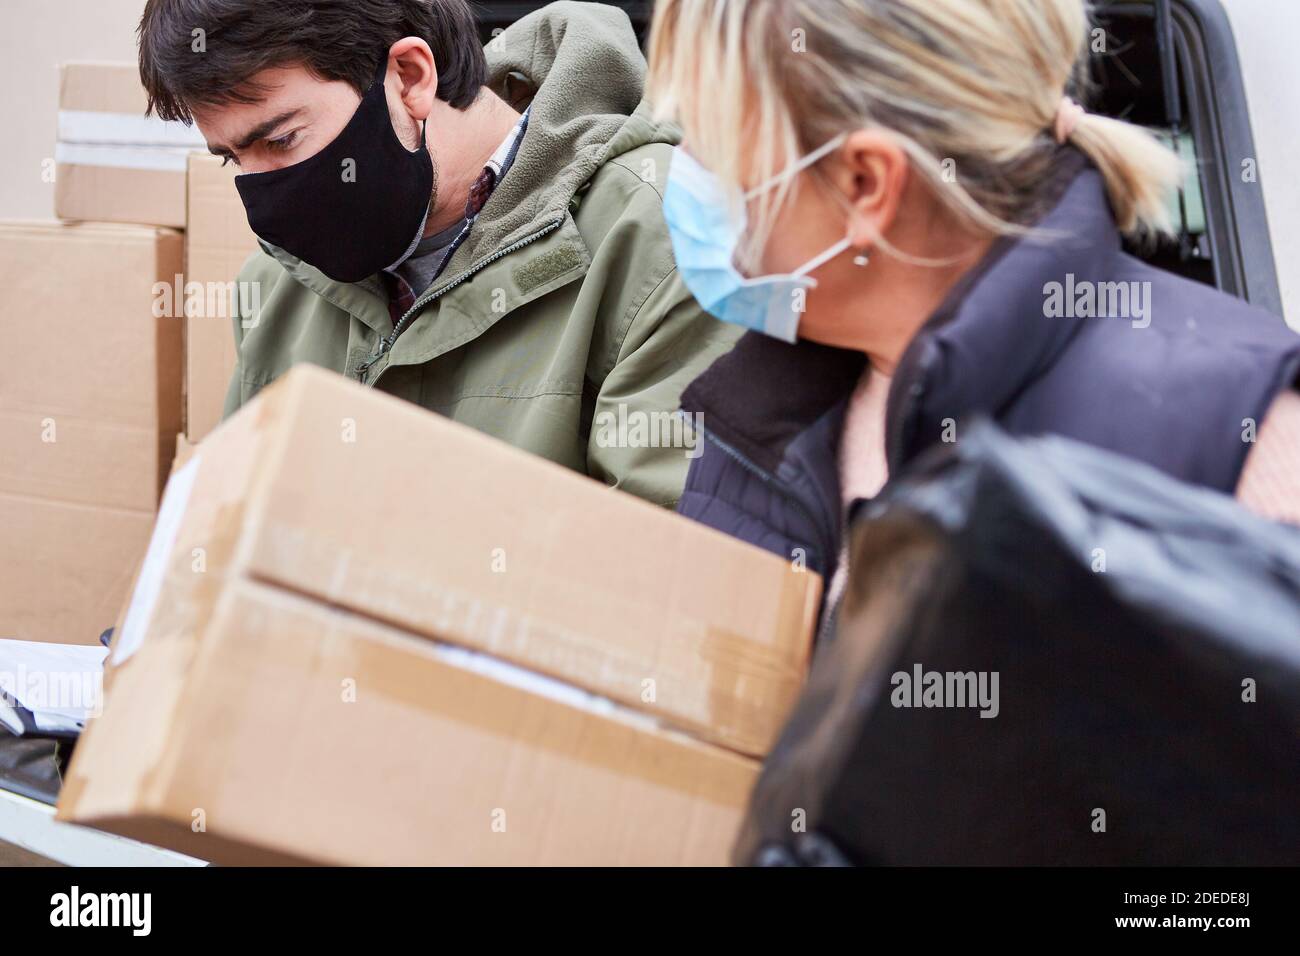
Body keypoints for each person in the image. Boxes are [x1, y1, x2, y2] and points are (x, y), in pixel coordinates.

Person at [645, 0, 1300, 624]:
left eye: (713, 145)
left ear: (866, 183)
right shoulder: (755, 421)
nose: (686, 176)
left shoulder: (1251, 433)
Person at [137, 0, 739, 507]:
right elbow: (229, 550)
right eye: (231, 159)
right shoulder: (276, 285)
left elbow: (666, 593)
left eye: (280, 139)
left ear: (409, 76)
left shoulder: (662, 236)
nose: (262, 197)